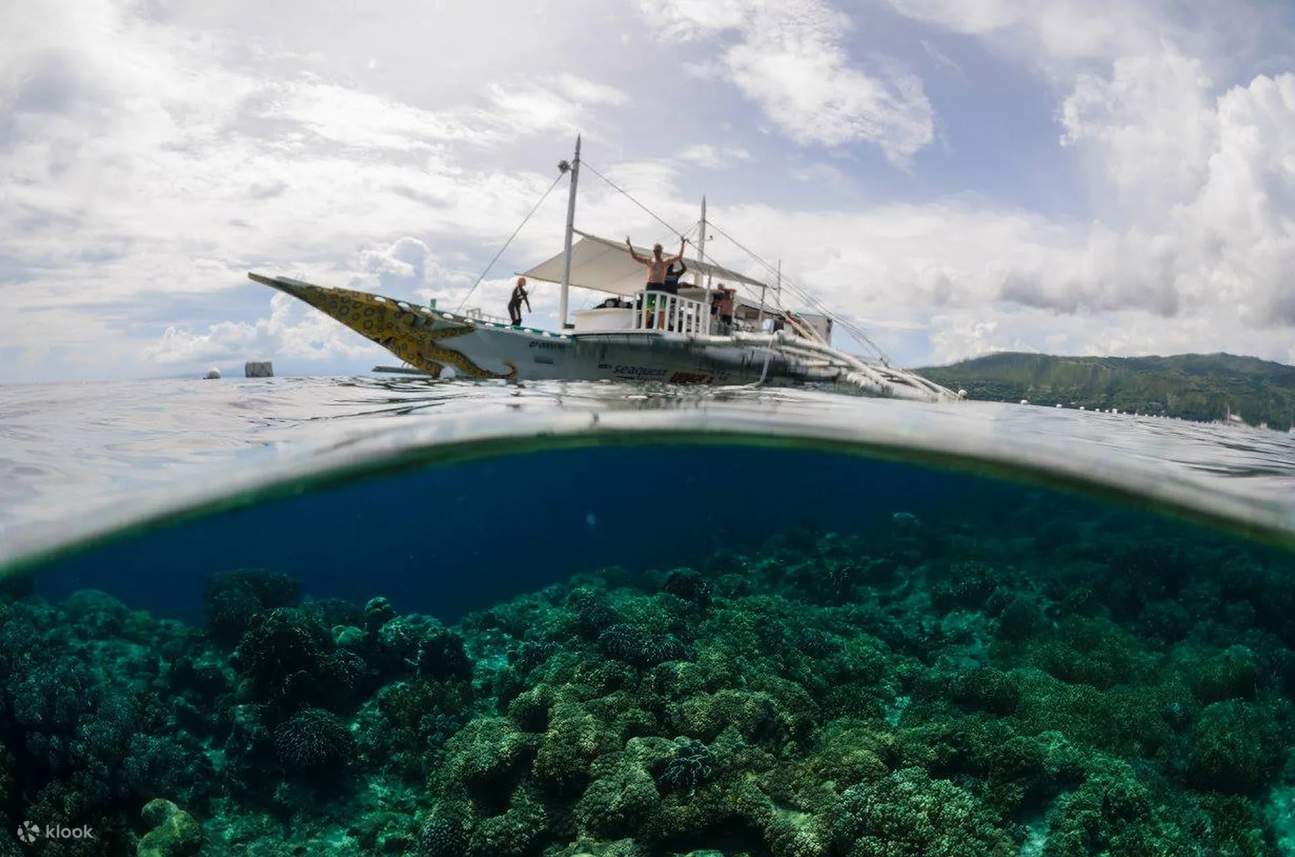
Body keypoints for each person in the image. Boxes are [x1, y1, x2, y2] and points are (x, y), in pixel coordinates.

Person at [626, 237, 685, 328]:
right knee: (648, 309)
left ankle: (662, 329)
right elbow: (635, 257)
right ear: (653, 251)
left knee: (662, 310)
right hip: (650, 286)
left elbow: (679, 256)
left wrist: (682, 244)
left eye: (657, 251)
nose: (655, 252)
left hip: (659, 286)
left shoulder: (665, 262)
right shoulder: (649, 260)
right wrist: (629, 246)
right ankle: (643, 328)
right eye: (654, 250)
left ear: (661, 251)